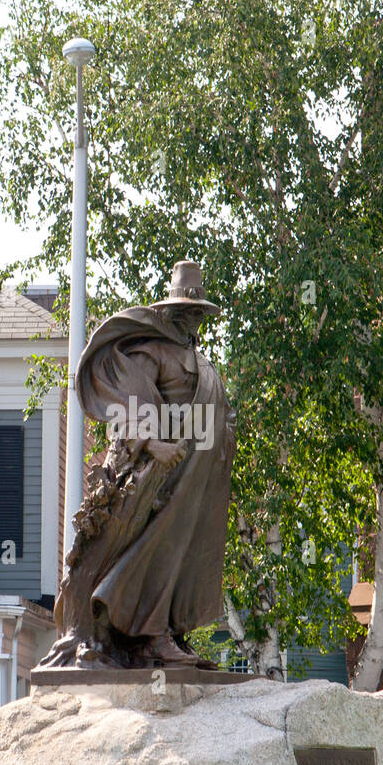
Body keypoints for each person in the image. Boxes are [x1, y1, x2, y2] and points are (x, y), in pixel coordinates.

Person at [39, 261, 235, 671]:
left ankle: (167, 633)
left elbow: (218, 415)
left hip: (195, 479)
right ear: (168, 312)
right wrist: (153, 444)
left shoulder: (201, 361)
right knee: (153, 554)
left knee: (181, 557)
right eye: (185, 310)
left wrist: (223, 437)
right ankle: (147, 639)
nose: (192, 318)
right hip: (159, 482)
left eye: (198, 312)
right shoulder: (151, 353)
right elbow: (129, 402)